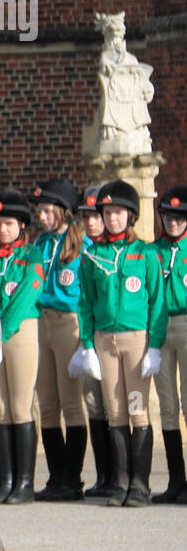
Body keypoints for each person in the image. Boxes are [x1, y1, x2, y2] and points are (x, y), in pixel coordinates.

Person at [78, 179, 166, 507]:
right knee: (114, 413)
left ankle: (140, 485)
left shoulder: (145, 254)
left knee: (136, 410)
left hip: (136, 340)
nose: (111, 218)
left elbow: (157, 302)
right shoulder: (93, 255)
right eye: (106, 212)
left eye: (118, 212)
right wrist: (87, 344)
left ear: (131, 216)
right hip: (104, 341)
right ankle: (120, 482)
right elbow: (85, 303)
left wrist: (154, 346)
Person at [0, 189, 44, 504]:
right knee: (0, 407)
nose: (2, 229)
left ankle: (25, 482)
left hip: (19, 332)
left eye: (8, 223)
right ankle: (4, 480)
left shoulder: (31, 257)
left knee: (20, 406)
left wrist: (2, 333)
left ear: (21, 225)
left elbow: (24, 299)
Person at [29, 179, 89, 501]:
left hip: (69, 322)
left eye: (47, 208)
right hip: (42, 321)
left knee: (71, 402)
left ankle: (72, 478)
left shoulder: (81, 244)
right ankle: (55, 476)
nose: (41, 214)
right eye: (39, 209)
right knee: (47, 404)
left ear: (63, 210)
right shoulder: (40, 244)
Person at [75, 185, 115, 498]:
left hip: (110, 332)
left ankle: (118, 474)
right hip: (85, 332)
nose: (90, 221)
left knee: (116, 404)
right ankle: (103, 475)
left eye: (95, 215)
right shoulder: (78, 248)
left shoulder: (109, 251)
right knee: (94, 404)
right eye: (86, 216)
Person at [151, 185, 187, 503]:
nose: (173, 223)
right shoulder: (154, 251)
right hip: (160, 329)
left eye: (178, 218)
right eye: (168, 217)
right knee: (167, 406)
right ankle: (176, 481)